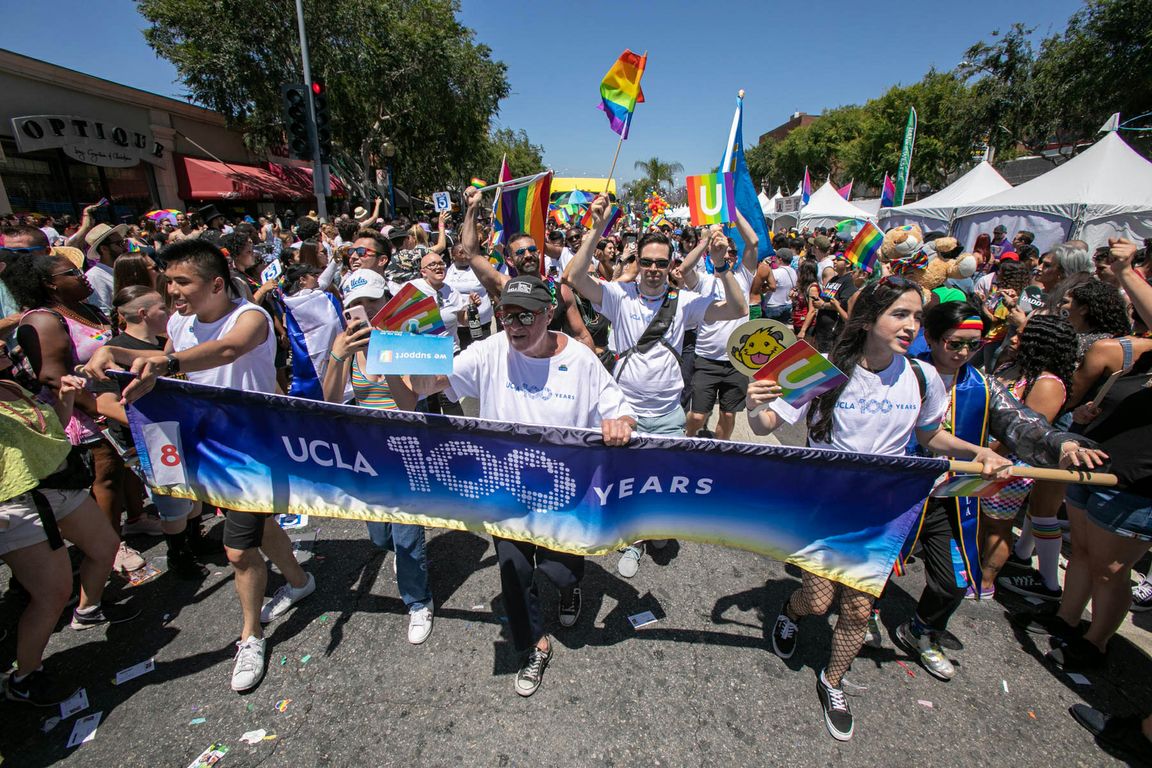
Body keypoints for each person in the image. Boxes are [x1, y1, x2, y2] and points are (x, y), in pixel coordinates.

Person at [748, 276, 1011, 741]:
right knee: (819, 601)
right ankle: (791, 610)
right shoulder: (819, 367)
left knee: (857, 609)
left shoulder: (923, 376)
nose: (911, 326)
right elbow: (766, 423)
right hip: (822, 508)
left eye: (917, 317)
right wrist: (755, 402)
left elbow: (930, 435)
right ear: (869, 319)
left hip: (881, 513)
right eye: (900, 314)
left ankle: (833, 681)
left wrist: (979, 452)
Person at [84, 238, 316, 693]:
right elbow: (167, 366)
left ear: (215, 284)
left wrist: (165, 359)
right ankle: (300, 580)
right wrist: (113, 354)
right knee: (258, 525)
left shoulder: (250, 316)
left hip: (254, 448)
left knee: (237, 550)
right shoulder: (179, 322)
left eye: (182, 281)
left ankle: (250, 636)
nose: (173, 291)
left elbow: (227, 350)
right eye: (168, 281)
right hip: (207, 448)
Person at [400, 274, 635, 697]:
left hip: (565, 495)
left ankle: (569, 589)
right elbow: (425, 386)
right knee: (514, 573)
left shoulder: (581, 359)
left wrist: (619, 423)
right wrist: (410, 347)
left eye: (526, 315)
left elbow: (619, 409)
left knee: (561, 570)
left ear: (549, 313)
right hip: (505, 493)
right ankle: (535, 645)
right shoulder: (489, 350)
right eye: (507, 315)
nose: (514, 324)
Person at [893, 304, 1101, 684]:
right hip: (897, 493)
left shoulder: (984, 385)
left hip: (950, 497)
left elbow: (1023, 422)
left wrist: (1062, 443)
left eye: (973, 345)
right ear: (933, 338)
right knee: (873, 566)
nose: (963, 352)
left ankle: (921, 630)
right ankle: (861, 616)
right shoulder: (901, 373)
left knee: (955, 580)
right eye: (955, 343)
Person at [567, 196, 748, 577]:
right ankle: (633, 541)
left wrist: (721, 266)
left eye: (661, 263)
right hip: (625, 412)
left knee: (661, 485)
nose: (652, 269)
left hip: (668, 414)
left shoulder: (685, 302)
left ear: (670, 265)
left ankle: (655, 528)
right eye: (646, 262)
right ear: (637, 262)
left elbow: (737, 310)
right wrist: (597, 228)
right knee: (629, 482)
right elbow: (576, 278)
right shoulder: (619, 296)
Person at [320, 270, 435, 644]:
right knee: (380, 535)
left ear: (386, 301)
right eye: (357, 305)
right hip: (368, 453)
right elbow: (329, 402)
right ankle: (406, 553)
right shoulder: (345, 342)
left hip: (407, 449)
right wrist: (339, 356)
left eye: (372, 302)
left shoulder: (402, 338)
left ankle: (418, 601)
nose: (366, 311)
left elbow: (409, 404)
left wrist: (386, 358)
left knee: (405, 532)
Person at [983, 315, 1078, 600]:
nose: (1013, 339)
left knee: (996, 524)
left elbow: (1023, 435)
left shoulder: (1047, 384)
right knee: (977, 519)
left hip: (1009, 464)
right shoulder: (1011, 365)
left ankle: (985, 583)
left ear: (1042, 344)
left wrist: (987, 455)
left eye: (1023, 336)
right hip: (984, 455)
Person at [458, 186, 595, 351]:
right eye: (520, 252)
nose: (528, 255)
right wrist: (472, 208)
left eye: (532, 250)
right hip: (516, 364)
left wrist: (592, 364)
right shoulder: (506, 286)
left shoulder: (561, 290)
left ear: (539, 254)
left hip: (550, 362)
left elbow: (582, 335)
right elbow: (471, 254)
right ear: (509, 261)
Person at [679, 212, 759, 440]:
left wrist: (732, 211)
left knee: (728, 414)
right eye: (724, 250)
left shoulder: (743, 277)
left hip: (737, 360)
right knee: (697, 416)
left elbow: (753, 242)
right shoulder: (704, 281)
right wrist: (706, 241)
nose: (728, 255)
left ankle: (721, 450)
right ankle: (688, 441)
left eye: (732, 252)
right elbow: (684, 270)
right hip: (706, 359)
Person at [84, 223, 129, 316]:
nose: (125, 247)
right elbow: (103, 312)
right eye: (119, 243)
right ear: (104, 248)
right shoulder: (95, 276)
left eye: (124, 242)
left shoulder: (122, 269)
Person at [753, 248, 796, 325]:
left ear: (780, 259)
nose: (774, 260)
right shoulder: (793, 271)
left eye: (776, 258)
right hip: (788, 305)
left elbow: (760, 285)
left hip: (773, 307)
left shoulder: (776, 272)